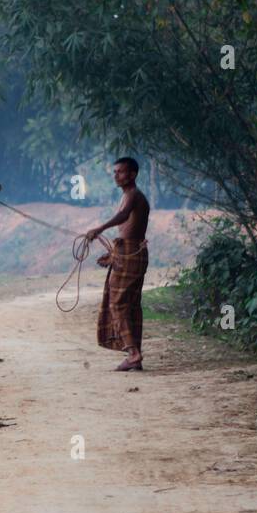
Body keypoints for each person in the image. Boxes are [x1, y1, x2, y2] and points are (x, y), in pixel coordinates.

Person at [85, 157, 151, 371]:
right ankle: (135, 356)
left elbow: (123, 217)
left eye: (121, 172)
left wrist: (99, 229)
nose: (116, 175)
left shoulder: (133, 196)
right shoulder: (129, 195)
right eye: (115, 172)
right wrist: (114, 254)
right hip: (128, 251)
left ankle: (133, 353)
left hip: (131, 251)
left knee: (118, 303)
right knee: (130, 304)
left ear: (132, 174)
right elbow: (126, 224)